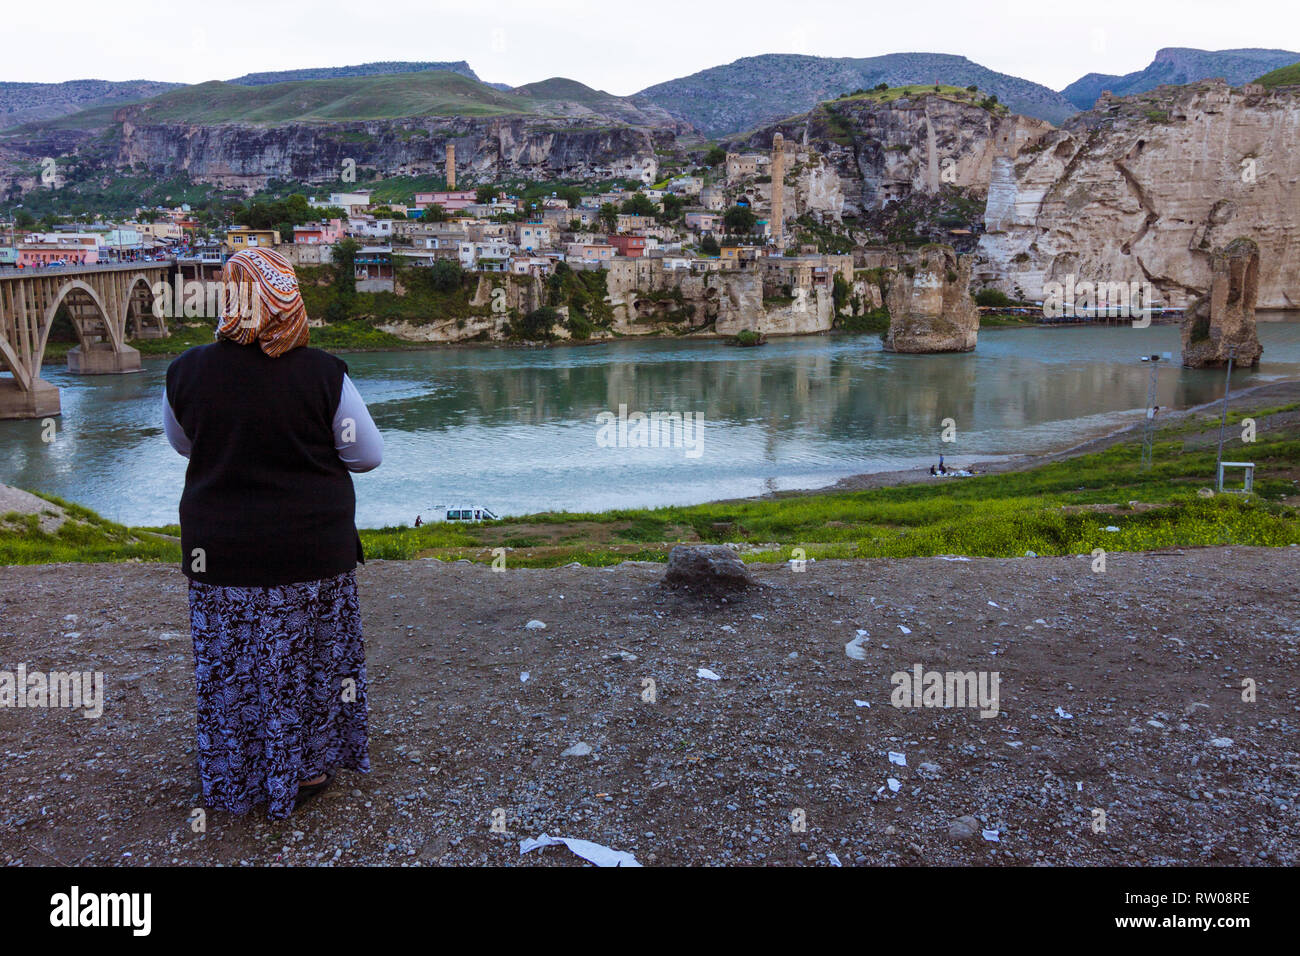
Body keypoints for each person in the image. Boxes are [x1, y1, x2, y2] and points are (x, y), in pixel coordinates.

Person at [162, 247, 383, 819]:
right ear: (288, 295)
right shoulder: (323, 373)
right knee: (312, 663)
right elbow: (368, 455)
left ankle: (236, 769)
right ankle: (306, 767)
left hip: (220, 559)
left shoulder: (185, 370)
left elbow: (184, 443)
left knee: (230, 666)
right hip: (310, 555)